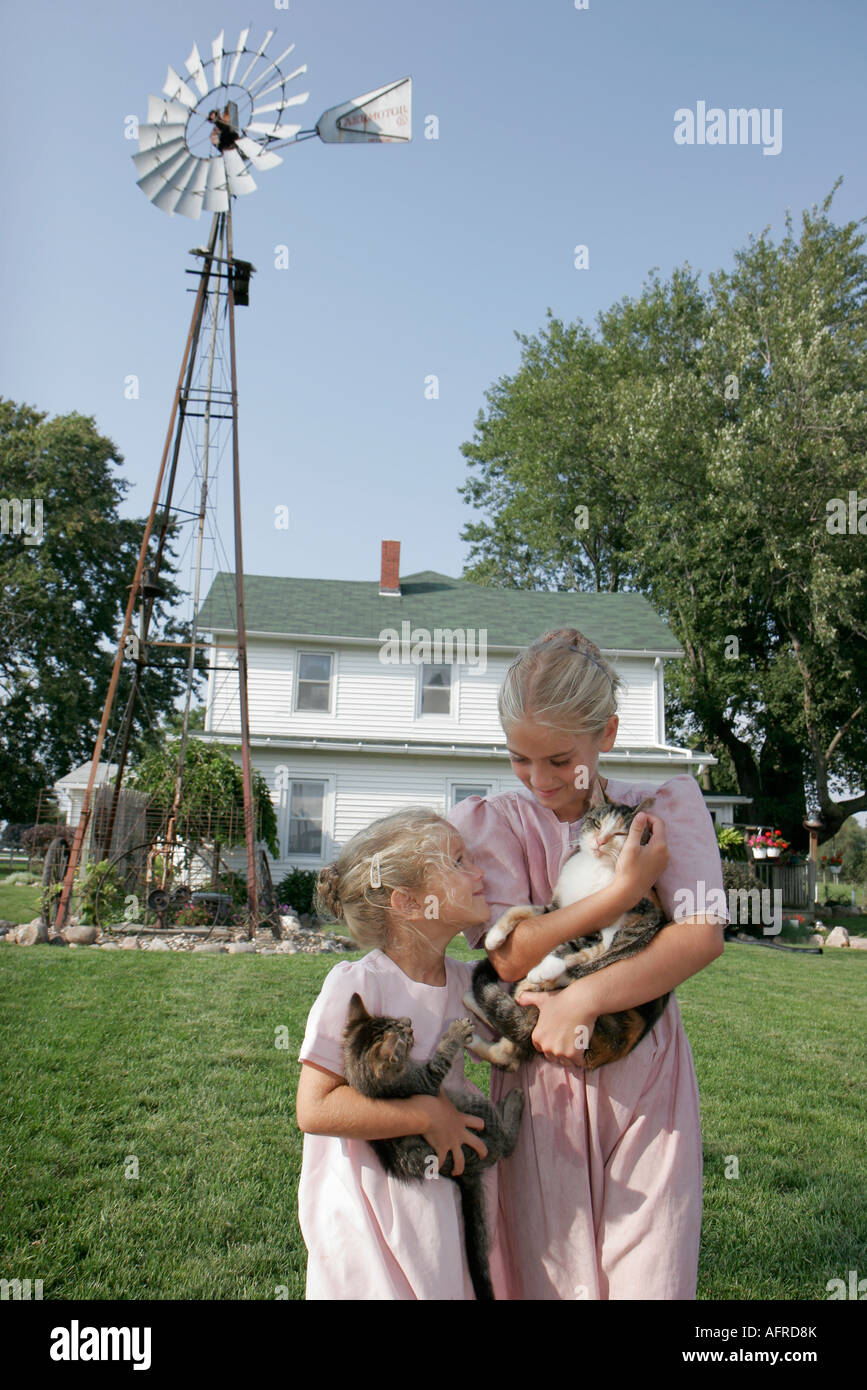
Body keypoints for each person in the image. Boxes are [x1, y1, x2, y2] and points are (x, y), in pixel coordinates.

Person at [447, 627, 726, 1300]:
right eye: (519, 758)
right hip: (538, 1085)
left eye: (557, 759)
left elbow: (699, 935)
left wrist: (581, 999)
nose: (539, 780)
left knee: (650, 1269)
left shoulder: (662, 806)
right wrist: (625, 891)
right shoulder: (497, 822)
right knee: (550, 1269)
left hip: (643, 1076)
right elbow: (511, 955)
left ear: (605, 732)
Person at [296, 806, 505, 1299]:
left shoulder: (466, 985)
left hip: (438, 1200)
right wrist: (427, 1114)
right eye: (458, 863)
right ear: (409, 903)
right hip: (368, 1211)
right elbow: (316, 1107)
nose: (479, 873)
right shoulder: (359, 985)